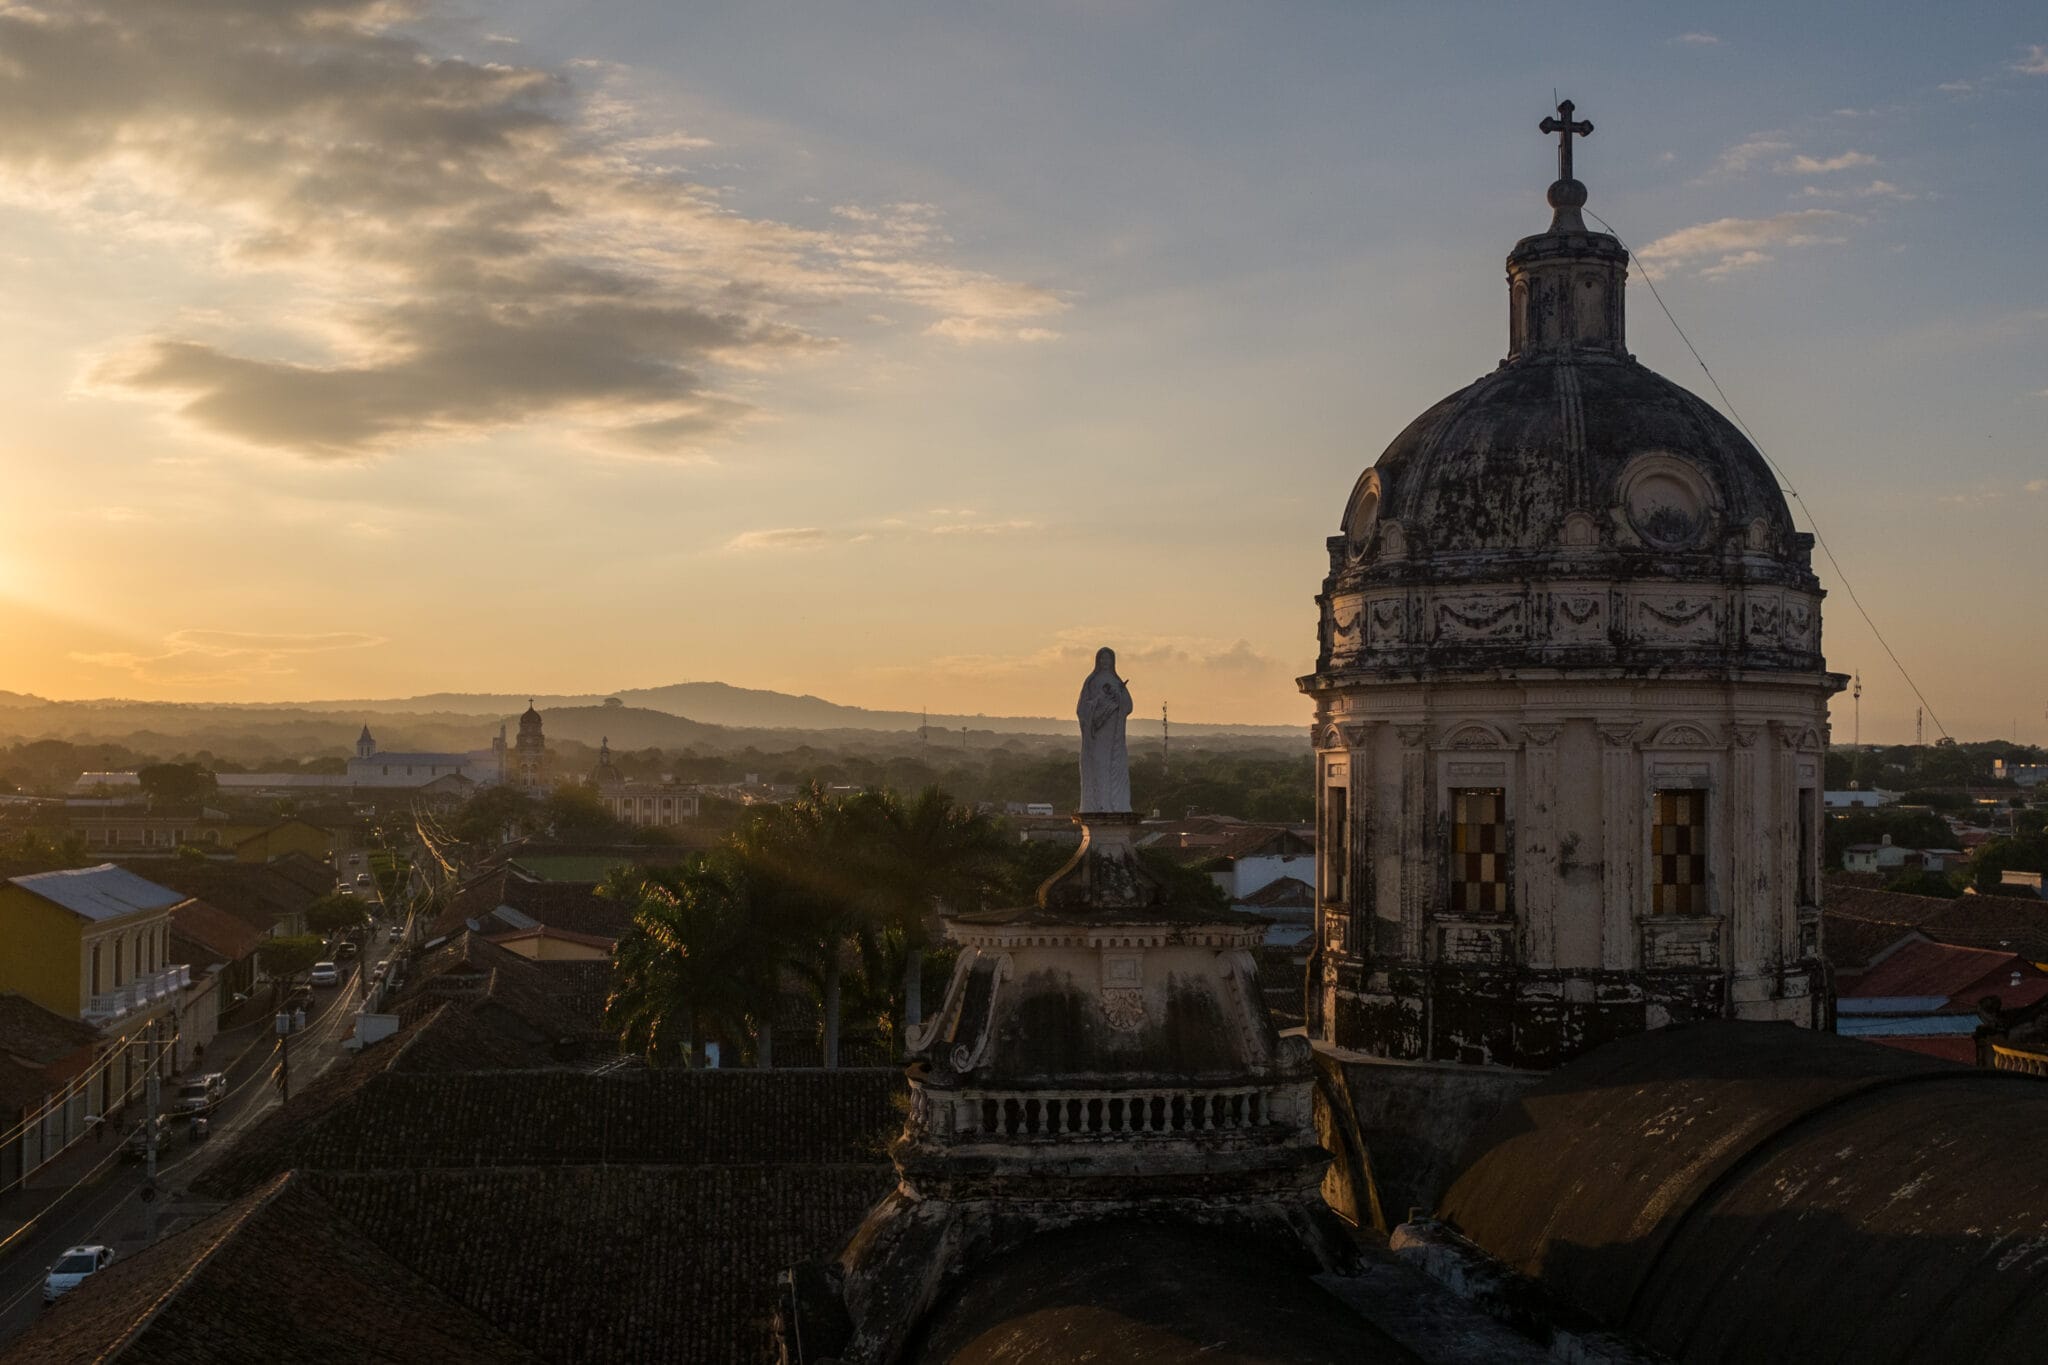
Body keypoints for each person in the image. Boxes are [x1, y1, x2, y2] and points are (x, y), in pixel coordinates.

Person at [1076, 646, 1135, 813]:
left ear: (1112, 661)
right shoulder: (1091, 681)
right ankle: (1098, 803)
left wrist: (1118, 698)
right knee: (1099, 765)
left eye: (1108, 658)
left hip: (1114, 734)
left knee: (1113, 766)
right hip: (1097, 735)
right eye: (1102, 658)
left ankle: (1116, 803)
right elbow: (1082, 709)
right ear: (1098, 660)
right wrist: (1100, 701)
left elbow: (1128, 706)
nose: (1105, 661)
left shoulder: (1117, 681)